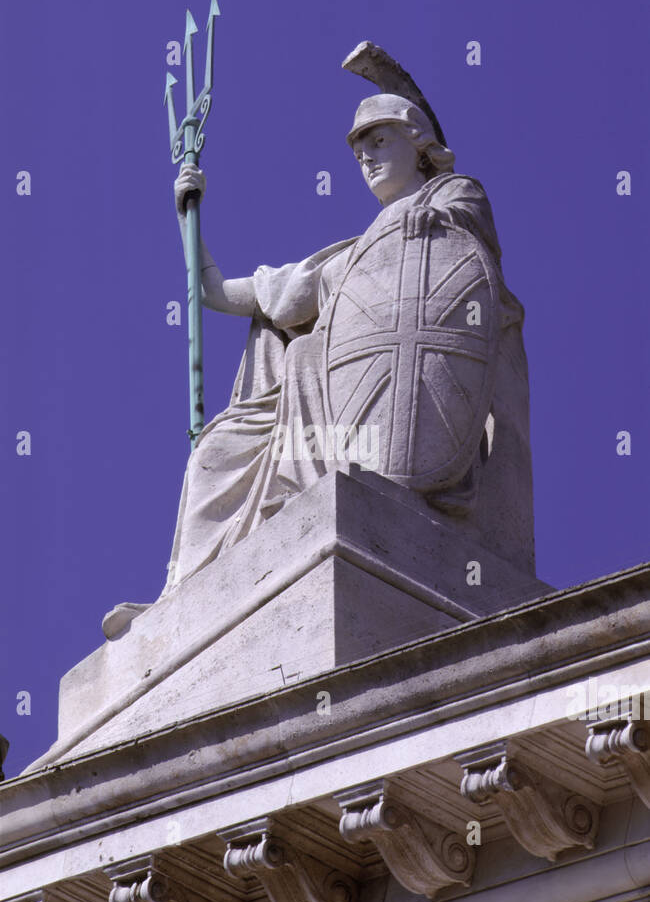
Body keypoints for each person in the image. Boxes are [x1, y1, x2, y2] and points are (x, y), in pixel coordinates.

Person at [102, 92, 535, 638]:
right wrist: (189, 216)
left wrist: (436, 215)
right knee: (215, 449)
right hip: (327, 414)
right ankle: (183, 596)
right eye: (360, 153)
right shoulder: (342, 263)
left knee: (306, 356)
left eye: (380, 142)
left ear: (420, 146)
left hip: (393, 433)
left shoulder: (452, 209)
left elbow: (467, 246)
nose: (369, 159)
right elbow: (214, 292)